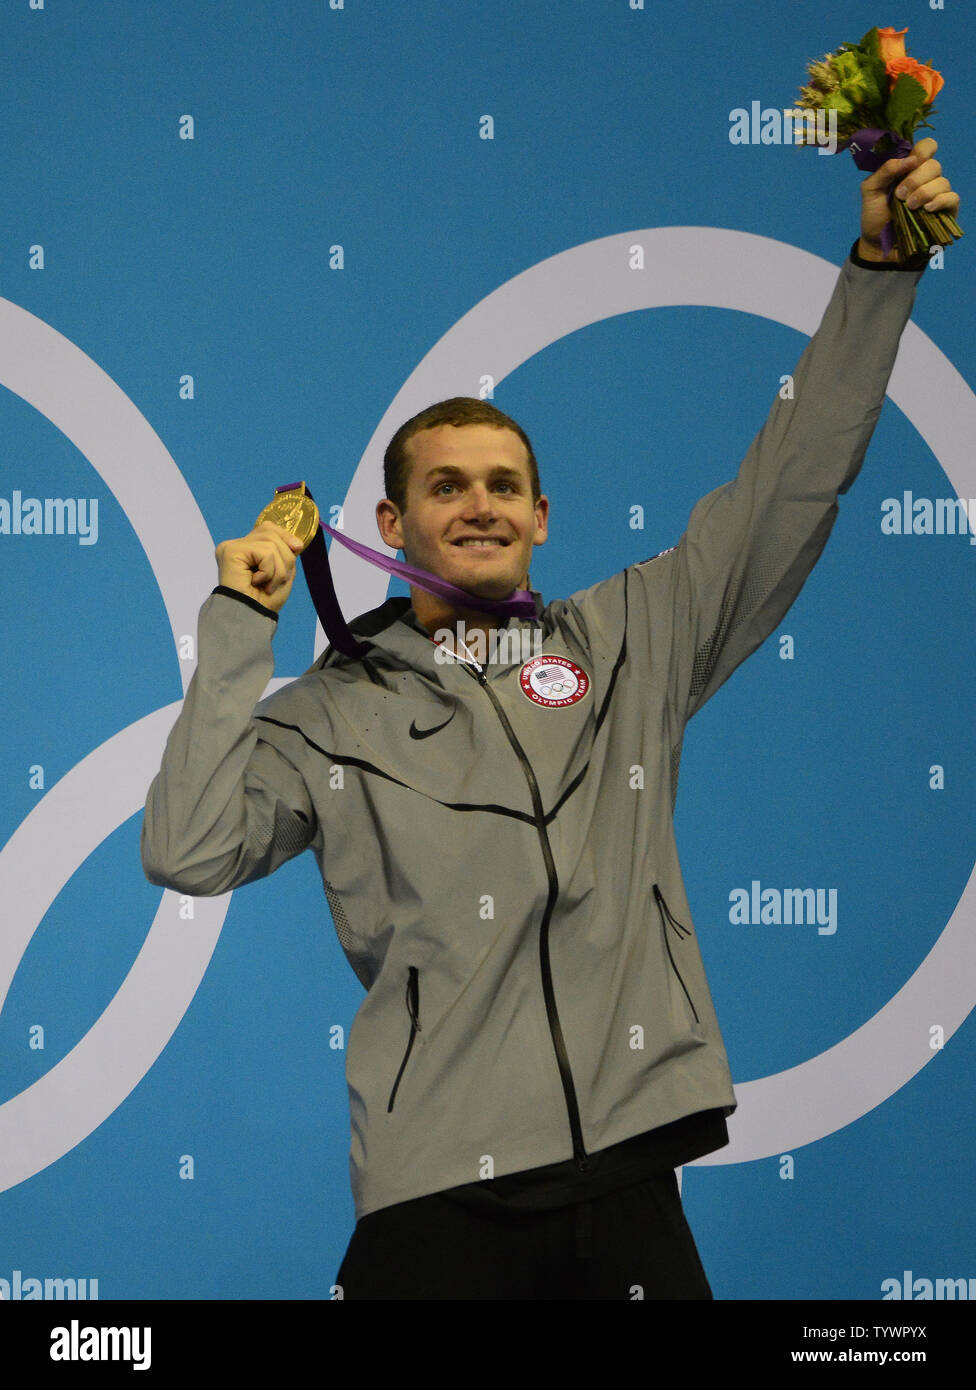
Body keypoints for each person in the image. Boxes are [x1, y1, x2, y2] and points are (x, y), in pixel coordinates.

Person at [141, 139, 960, 1300]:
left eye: (502, 485)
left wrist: (880, 270)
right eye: (445, 485)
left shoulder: (631, 636)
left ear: (540, 516)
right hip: (433, 1202)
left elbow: (789, 482)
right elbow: (185, 848)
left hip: (625, 1189)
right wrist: (236, 624)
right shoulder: (329, 712)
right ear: (392, 517)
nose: (478, 503)